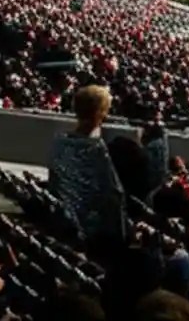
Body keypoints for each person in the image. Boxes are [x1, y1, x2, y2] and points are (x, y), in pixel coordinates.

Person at [48, 85, 129, 251]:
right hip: (91, 233)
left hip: (63, 223)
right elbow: (114, 195)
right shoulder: (97, 150)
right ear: (100, 113)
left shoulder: (59, 143)